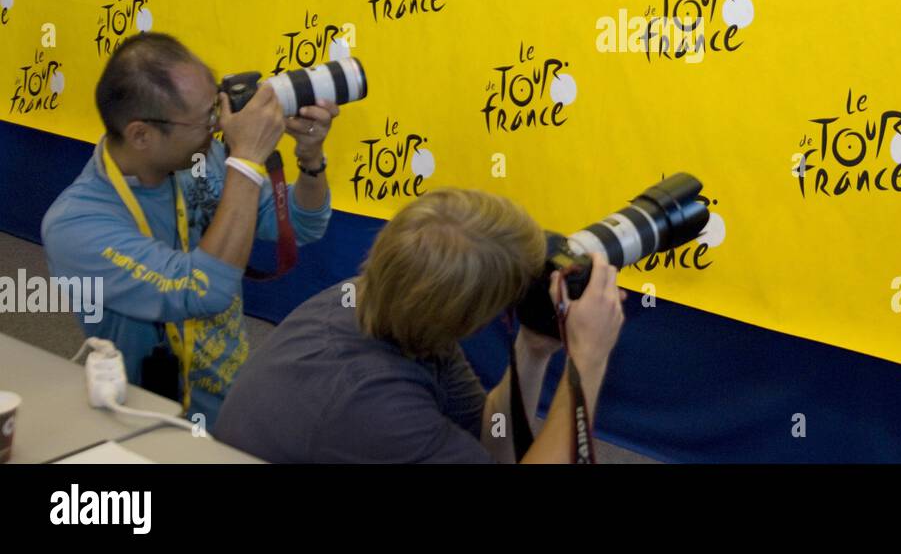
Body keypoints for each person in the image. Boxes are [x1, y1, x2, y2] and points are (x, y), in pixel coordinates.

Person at [41, 33, 337, 423]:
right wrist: (246, 160)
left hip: (234, 398)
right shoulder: (76, 227)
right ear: (141, 134)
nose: (219, 126)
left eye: (216, 105)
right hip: (148, 417)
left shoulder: (202, 157)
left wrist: (310, 157)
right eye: (205, 119)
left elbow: (300, 225)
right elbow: (202, 289)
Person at [215, 189, 625, 463]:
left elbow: (491, 435)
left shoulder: (387, 303)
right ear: (474, 316)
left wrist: (532, 350)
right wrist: (588, 360)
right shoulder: (378, 405)